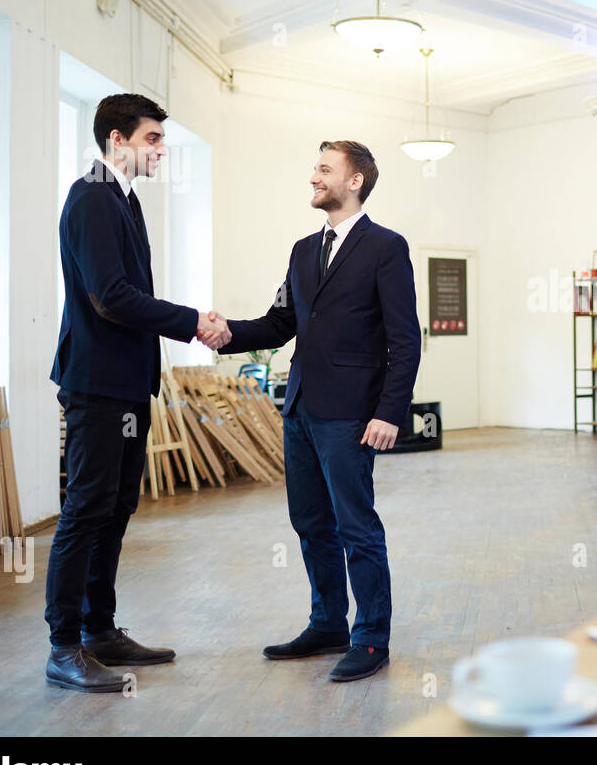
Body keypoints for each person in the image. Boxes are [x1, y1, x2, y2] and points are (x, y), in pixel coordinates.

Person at [201, 140, 420, 682]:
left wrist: (390, 411)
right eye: (314, 168)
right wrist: (228, 334)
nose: (313, 178)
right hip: (300, 407)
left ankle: (371, 638)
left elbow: (405, 337)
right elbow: (279, 324)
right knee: (310, 523)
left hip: (352, 414)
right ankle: (327, 624)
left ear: (355, 182)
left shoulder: (386, 247)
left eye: (324, 169)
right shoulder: (303, 249)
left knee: (356, 526)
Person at [48, 93, 227, 692]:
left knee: (118, 506)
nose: (160, 149)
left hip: (125, 383)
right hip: (96, 383)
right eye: (152, 138)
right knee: (86, 509)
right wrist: (191, 320)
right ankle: (63, 646)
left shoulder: (124, 202)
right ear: (117, 139)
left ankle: (101, 630)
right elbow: (110, 297)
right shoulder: (92, 197)